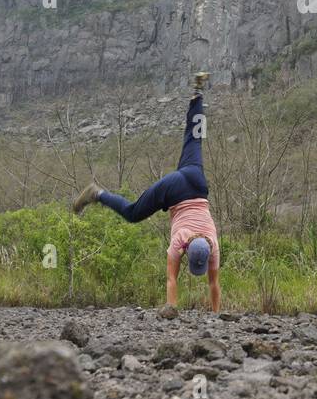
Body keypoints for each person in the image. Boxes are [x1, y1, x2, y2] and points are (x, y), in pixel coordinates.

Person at [72, 73, 221, 312]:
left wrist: (212, 316)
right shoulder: (182, 241)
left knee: (195, 140)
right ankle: (96, 193)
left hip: (197, 183)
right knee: (132, 213)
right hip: (176, 188)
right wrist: (181, 312)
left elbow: (179, 280)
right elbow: (206, 283)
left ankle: (197, 96)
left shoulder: (212, 242)